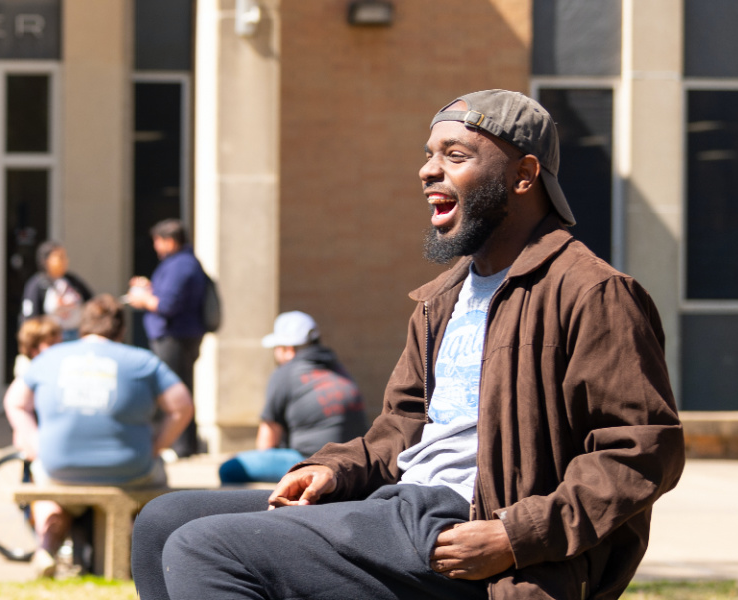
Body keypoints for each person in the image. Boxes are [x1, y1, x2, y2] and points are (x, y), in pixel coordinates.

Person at [131, 90, 685, 600]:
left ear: (524, 174)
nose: (427, 170)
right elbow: (402, 427)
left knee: (204, 549)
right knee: (163, 521)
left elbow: (642, 450)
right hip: (403, 504)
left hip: (468, 526)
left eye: (455, 155)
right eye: (428, 155)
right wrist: (336, 468)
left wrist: (516, 536)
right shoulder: (444, 298)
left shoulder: (591, 292)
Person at [5, 295, 193, 579]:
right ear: (121, 330)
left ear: (83, 325)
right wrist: (156, 446)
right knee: (152, 479)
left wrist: (36, 445)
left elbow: (15, 401)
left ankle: (47, 546)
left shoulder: (49, 358)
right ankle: (133, 542)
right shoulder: (142, 361)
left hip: (61, 467)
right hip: (131, 469)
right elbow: (182, 406)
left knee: (47, 488)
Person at [216, 311, 366, 484]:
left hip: (310, 461)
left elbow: (266, 443)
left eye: (277, 347)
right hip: (354, 462)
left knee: (230, 469)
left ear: (288, 350)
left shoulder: (285, 373)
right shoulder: (340, 370)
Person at [125, 219, 208, 456]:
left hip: (175, 338)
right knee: (181, 388)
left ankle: (179, 447)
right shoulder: (181, 263)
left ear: (170, 241)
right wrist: (149, 289)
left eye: (158, 241)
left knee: (173, 391)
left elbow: (167, 305)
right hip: (178, 335)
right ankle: (183, 446)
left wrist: (143, 299)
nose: (155, 247)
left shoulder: (181, 265)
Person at [20, 240, 93, 342]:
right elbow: (30, 316)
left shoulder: (72, 281)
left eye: (65, 257)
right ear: (46, 260)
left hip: (76, 336)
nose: (65, 261)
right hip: (50, 339)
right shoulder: (38, 284)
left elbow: (90, 302)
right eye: (60, 257)